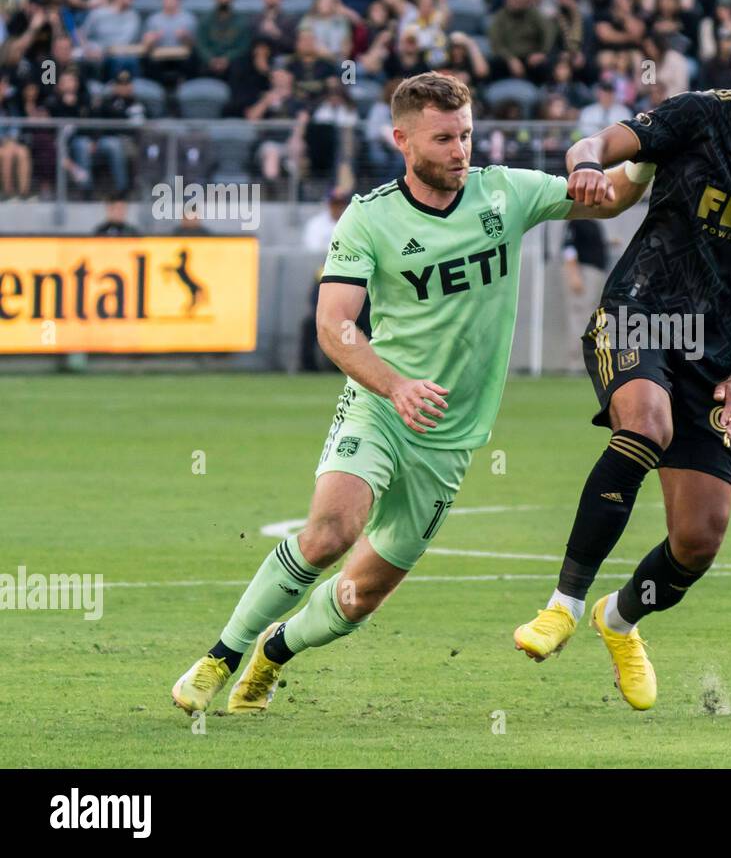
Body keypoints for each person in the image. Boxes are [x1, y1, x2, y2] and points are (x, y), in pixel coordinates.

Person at [170, 72, 655, 715]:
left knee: (357, 597)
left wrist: (646, 154)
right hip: (380, 403)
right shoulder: (370, 217)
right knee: (329, 533)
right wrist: (394, 386)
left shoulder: (505, 192)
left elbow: (614, 198)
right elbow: (334, 323)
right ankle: (220, 657)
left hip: (451, 437)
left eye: (466, 135)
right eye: (444, 138)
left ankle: (273, 652)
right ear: (402, 139)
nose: (460, 150)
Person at [510, 0, 731, 711]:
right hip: (638, 314)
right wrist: (590, 167)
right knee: (645, 425)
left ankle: (619, 620)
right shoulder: (695, 116)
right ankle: (564, 603)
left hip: (715, 357)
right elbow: (592, 145)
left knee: (699, 538)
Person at [562, 216, 610, 374]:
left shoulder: (593, 222)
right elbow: (568, 248)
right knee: (579, 317)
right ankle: (576, 364)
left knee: (594, 318)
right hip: (584, 272)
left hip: (596, 273)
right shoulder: (575, 221)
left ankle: (591, 361)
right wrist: (573, 273)